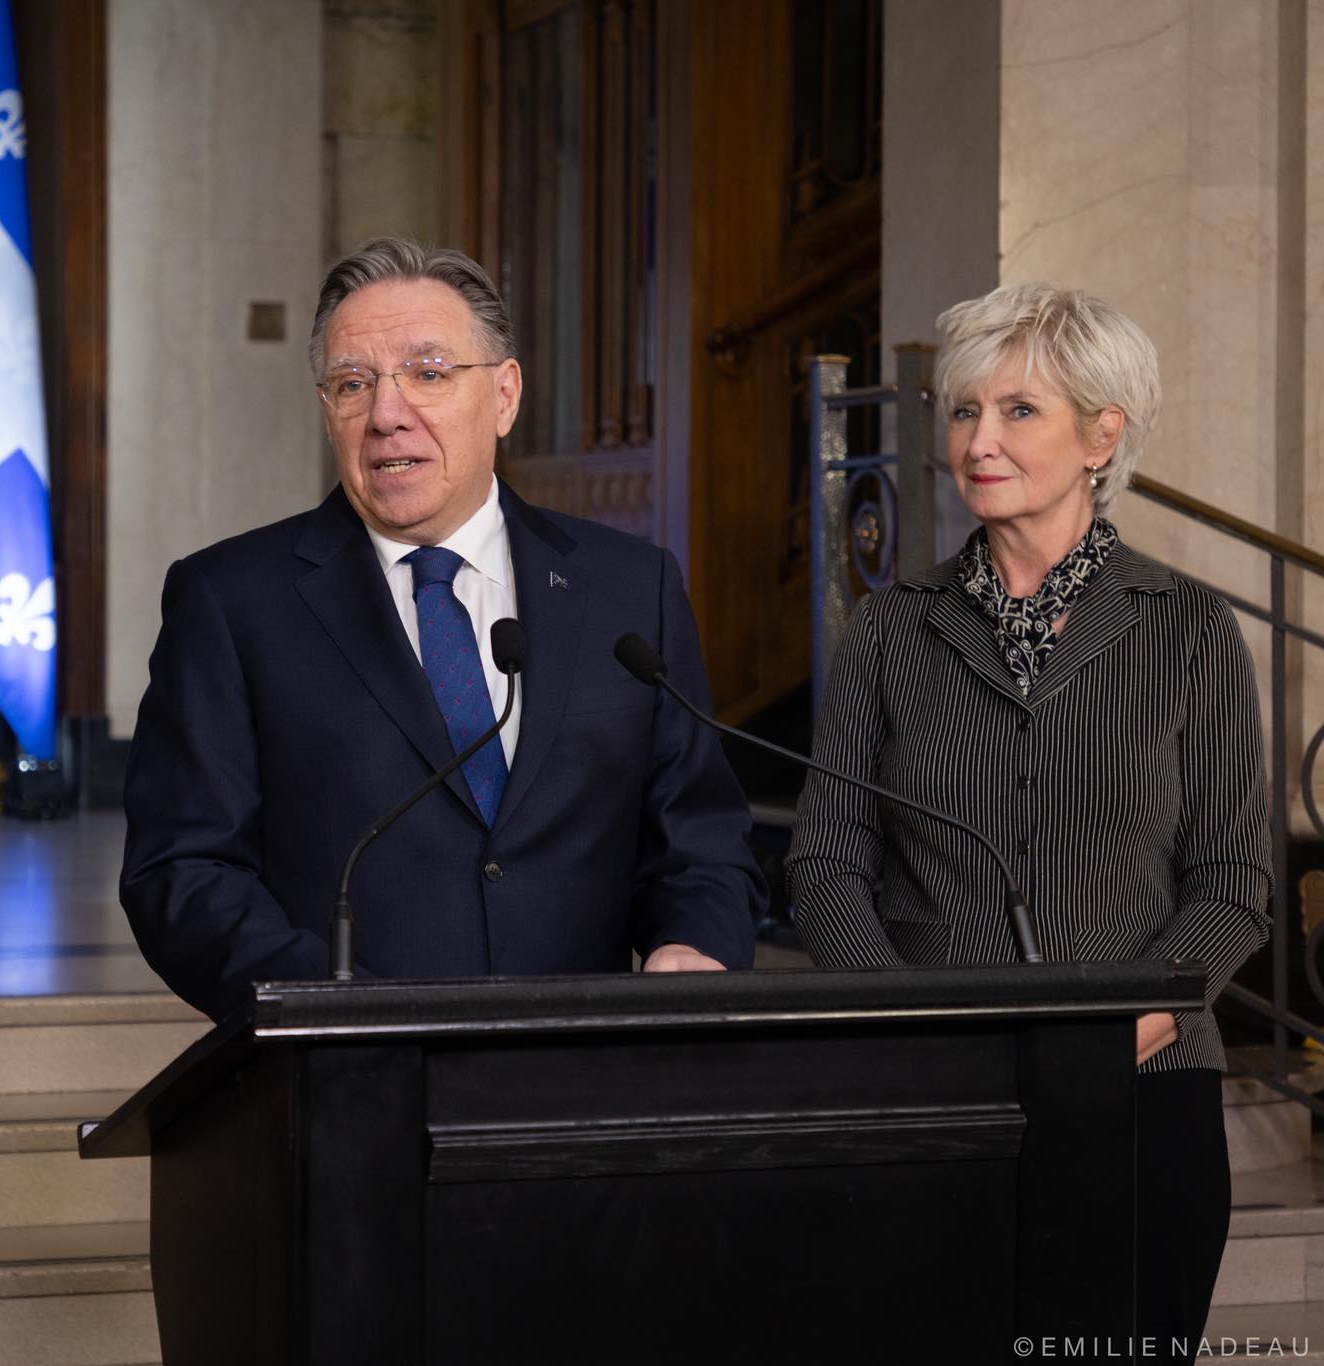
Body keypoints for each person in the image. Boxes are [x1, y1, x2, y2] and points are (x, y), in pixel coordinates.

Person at [786, 281, 1270, 1353]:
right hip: (931, 1100)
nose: (977, 439)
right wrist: (909, 1027)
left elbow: (1233, 879)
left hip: (1146, 1095)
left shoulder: (1189, 629)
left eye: (1017, 410)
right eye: (962, 411)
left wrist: (1126, 1026)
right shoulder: (886, 630)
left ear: (1102, 434)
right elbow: (824, 860)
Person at [120, 237, 764, 1021]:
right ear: (328, 408)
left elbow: (699, 837)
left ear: (504, 395)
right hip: (343, 1084)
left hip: (582, 1076)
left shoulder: (630, 587)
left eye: (428, 374)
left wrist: (694, 943)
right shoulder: (231, 600)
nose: (387, 416)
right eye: (354, 384)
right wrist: (331, 1010)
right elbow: (182, 871)